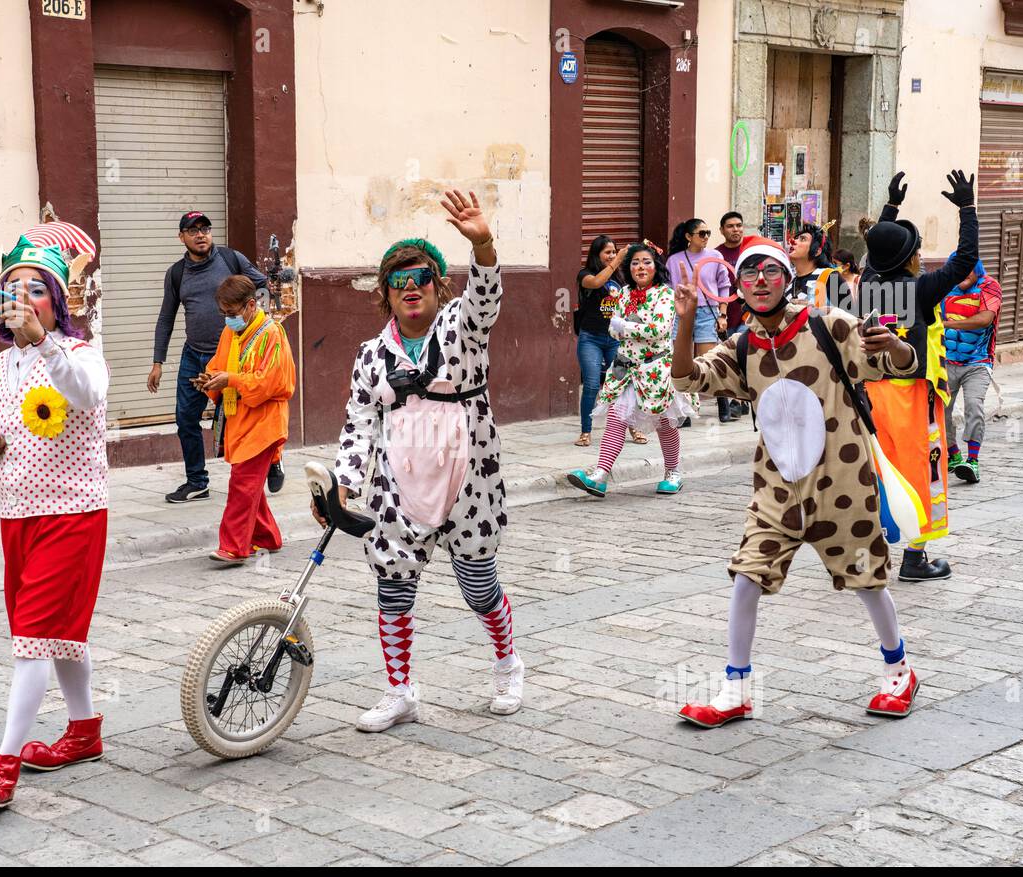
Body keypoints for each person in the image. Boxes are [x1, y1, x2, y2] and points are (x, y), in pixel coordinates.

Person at [671, 236, 922, 728]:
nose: (759, 281)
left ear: (787, 278)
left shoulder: (831, 326)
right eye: (749, 274)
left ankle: (900, 670)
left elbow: (901, 365)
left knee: (868, 582)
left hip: (843, 483)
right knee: (746, 577)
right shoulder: (743, 346)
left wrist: (895, 344)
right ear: (738, 287)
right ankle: (735, 688)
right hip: (777, 490)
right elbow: (687, 378)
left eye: (769, 272)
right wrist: (685, 322)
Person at [322, 189, 522, 732]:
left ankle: (507, 663)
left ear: (439, 285)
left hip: (469, 481)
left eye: (421, 279)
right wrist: (344, 482)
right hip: (400, 485)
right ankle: (400, 690)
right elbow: (360, 422)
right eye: (398, 281)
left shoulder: (462, 327)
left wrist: (482, 243)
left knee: (479, 586)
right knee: (393, 586)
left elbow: (486, 297)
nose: (410, 288)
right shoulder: (371, 354)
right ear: (385, 294)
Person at [0, 232, 110, 809]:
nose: (23, 298)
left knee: (32, 642)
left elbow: (87, 395)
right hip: (16, 513)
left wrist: (44, 342)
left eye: (37, 289)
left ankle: (3, 766)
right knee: (55, 631)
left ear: (57, 302)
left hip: (73, 511)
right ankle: (84, 731)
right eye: (13, 288)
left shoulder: (81, 354)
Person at [860, 170, 979, 583]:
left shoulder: (867, 285)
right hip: (914, 394)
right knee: (922, 472)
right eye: (916, 250)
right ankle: (915, 558)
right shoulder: (922, 290)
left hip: (871, 395)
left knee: (879, 473)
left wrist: (889, 209)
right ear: (909, 258)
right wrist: (967, 209)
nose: (919, 255)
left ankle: (868, 554)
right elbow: (964, 260)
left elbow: (874, 251)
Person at [149, 211, 270, 503]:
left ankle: (270, 459)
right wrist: (158, 362)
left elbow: (262, 286)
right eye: (193, 231)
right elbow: (166, 317)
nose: (201, 234)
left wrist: (260, 330)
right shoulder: (177, 273)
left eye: (205, 228)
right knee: (186, 418)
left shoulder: (231, 259)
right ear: (182, 238)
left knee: (243, 417)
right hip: (194, 356)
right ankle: (197, 481)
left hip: (234, 356)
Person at [567, 244, 696, 496]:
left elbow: (658, 329)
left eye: (646, 262)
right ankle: (600, 475)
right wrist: (630, 326)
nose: (640, 267)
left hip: (657, 368)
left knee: (665, 423)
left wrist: (625, 325)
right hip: (624, 367)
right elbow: (612, 329)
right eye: (635, 262)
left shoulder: (665, 294)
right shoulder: (623, 293)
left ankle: (673, 472)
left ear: (655, 266)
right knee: (616, 417)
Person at [198, 276, 296, 563]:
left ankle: (233, 546)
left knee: (242, 484)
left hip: (264, 422)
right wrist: (211, 379)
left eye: (232, 313)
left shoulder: (272, 333)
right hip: (239, 418)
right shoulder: (232, 333)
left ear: (251, 305)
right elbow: (219, 363)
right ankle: (267, 538)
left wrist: (232, 379)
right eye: (224, 314)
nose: (228, 319)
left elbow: (275, 382)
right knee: (249, 484)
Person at [941, 259, 1001, 484]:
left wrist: (947, 324)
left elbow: (985, 319)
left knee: (974, 407)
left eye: (968, 269)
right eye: (958, 268)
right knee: (941, 410)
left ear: (977, 270)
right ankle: (954, 455)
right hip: (947, 361)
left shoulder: (989, 286)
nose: (962, 273)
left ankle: (973, 461)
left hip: (978, 362)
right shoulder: (945, 287)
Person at [667, 218, 732, 424]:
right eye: (701, 233)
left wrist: (723, 314)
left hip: (707, 312)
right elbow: (669, 290)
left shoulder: (715, 256)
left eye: (708, 233)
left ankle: (723, 404)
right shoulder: (674, 260)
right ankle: (684, 411)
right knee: (681, 362)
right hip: (682, 313)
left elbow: (724, 286)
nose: (706, 237)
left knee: (709, 360)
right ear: (688, 237)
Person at [574, 235, 633, 447]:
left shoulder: (620, 278)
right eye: (607, 252)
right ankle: (585, 432)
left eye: (613, 252)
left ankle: (633, 428)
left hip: (616, 340)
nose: (611, 256)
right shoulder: (585, 274)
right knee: (591, 384)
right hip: (591, 338)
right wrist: (617, 260)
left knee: (624, 383)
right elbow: (597, 282)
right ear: (596, 254)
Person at [715, 211, 750, 420]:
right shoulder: (716, 255)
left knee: (744, 354)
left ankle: (738, 401)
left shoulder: (751, 251)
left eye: (739, 225)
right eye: (730, 226)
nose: (735, 229)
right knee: (730, 357)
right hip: (725, 315)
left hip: (749, 315)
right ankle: (741, 399)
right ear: (722, 230)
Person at [788, 223, 836, 303]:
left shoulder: (829, 277)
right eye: (796, 238)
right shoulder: (788, 280)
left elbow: (851, 313)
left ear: (817, 251)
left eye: (803, 239)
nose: (794, 242)